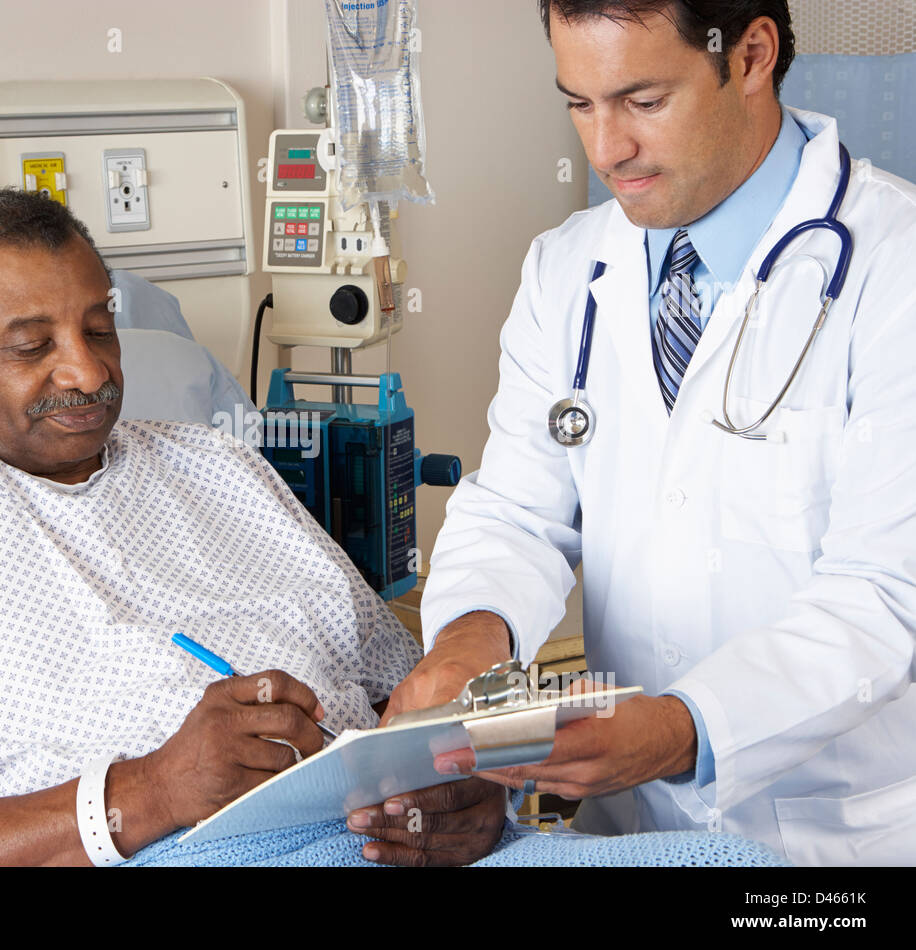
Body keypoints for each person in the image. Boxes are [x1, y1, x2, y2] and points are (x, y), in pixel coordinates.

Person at [0, 189, 505, 866]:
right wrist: (149, 791)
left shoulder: (221, 466)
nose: (87, 372)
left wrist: (468, 790)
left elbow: (406, 696)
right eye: (31, 346)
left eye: (99, 329)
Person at [391, 0, 916, 865]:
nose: (605, 152)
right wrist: (469, 638)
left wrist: (683, 730)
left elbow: (885, 594)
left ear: (750, 53)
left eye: (642, 101)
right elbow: (520, 512)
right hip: (622, 837)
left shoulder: (892, 267)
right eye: (579, 103)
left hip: (839, 843)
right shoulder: (567, 266)